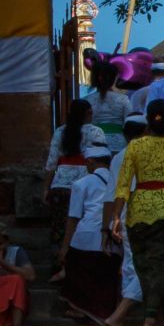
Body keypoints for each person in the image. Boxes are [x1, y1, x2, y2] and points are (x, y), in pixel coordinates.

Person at [113, 99, 164, 326]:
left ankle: (155, 317)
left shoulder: (135, 147)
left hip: (138, 214)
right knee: (162, 267)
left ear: (148, 119)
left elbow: (122, 185)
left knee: (144, 267)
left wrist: (116, 216)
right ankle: (151, 318)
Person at [59, 157, 121, 326]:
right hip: (112, 236)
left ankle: (80, 308)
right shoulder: (119, 181)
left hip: (84, 237)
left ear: (91, 163)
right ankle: (104, 313)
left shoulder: (82, 183)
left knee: (79, 272)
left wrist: (65, 246)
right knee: (106, 279)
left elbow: (73, 218)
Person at [46, 98, 98, 233]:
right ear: (88, 112)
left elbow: (51, 163)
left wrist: (46, 188)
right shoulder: (96, 132)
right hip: (86, 186)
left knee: (59, 229)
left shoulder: (59, 132)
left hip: (60, 187)